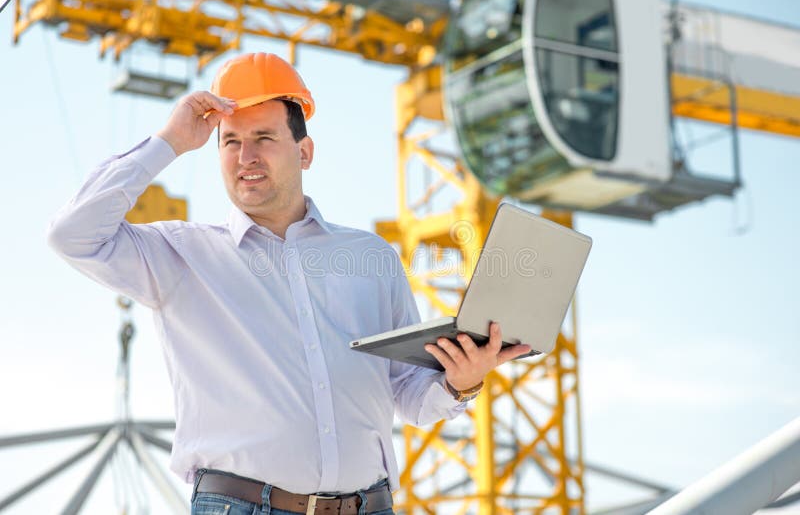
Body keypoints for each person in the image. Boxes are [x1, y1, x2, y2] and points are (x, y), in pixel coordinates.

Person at [47, 52, 531, 515]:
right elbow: (72, 235)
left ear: (305, 152)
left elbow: (407, 395)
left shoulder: (370, 258)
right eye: (230, 141)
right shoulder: (180, 255)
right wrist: (170, 141)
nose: (245, 156)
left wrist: (460, 384)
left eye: (263, 138)